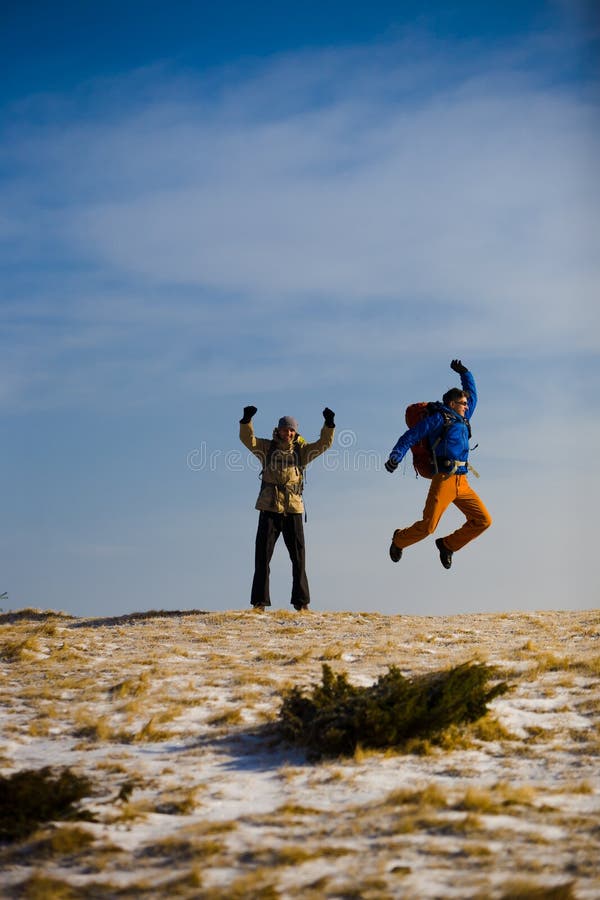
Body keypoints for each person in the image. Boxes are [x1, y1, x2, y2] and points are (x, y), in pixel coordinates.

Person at [384, 360, 491, 569]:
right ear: (452, 404)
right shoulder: (439, 419)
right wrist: (395, 456)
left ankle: (447, 545)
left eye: (466, 404)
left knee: (483, 520)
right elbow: (412, 435)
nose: (467, 406)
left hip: (463, 482)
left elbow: (473, 394)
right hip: (444, 479)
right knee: (428, 526)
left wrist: (465, 372)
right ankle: (399, 540)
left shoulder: (464, 418)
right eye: (463, 403)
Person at [239, 405, 335, 610]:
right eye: (285, 429)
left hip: (293, 510)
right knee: (262, 558)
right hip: (269, 508)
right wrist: (247, 421)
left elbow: (324, 444)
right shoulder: (267, 448)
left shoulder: (302, 452)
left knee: (299, 559)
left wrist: (329, 424)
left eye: (291, 430)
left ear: (295, 432)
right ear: (279, 430)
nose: (288, 433)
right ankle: (259, 603)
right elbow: (249, 440)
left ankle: (302, 604)